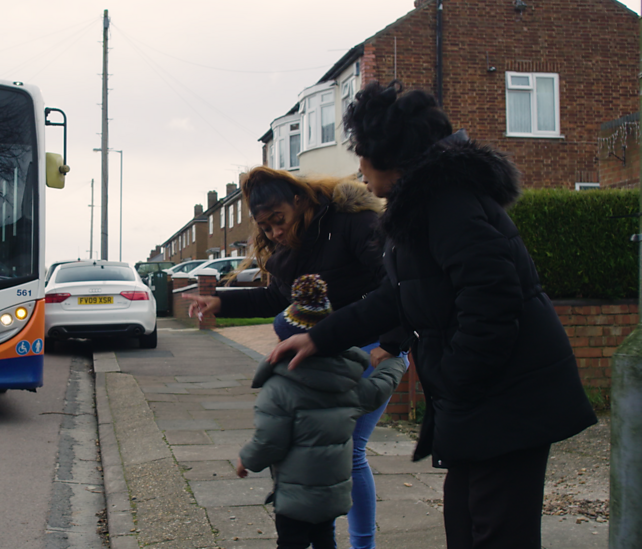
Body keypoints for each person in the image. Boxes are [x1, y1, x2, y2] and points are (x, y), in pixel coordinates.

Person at [268, 80, 597, 549]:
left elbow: (493, 304)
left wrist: (456, 379)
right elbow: (394, 297)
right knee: (466, 522)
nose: (358, 166)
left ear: (391, 157)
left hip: (507, 399)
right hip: (480, 401)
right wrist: (320, 337)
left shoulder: (450, 205)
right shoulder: (422, 207)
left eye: (361, 153)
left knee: (497, 531)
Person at [186, 166, 400, 549]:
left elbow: (396, 282)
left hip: (371, 348)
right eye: (266, 227)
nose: (274, 232)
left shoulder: (351, 221)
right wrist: (220, 299)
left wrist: (394, 342)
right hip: (324, 349)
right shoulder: (288, 246)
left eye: (278, 220)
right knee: (331, 450)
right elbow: (279, 298)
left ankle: (362, 545)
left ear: (299, 200)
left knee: (349, 449)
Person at [236, 274, 407, 549]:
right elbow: (379, 389)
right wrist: (396, 360)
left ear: (285, 340)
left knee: (291, 542)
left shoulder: (280, 387)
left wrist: (248, 460)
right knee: (324, 538)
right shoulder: (350, 382)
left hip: (294, 494)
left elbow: (270, 439)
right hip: (331, 494)